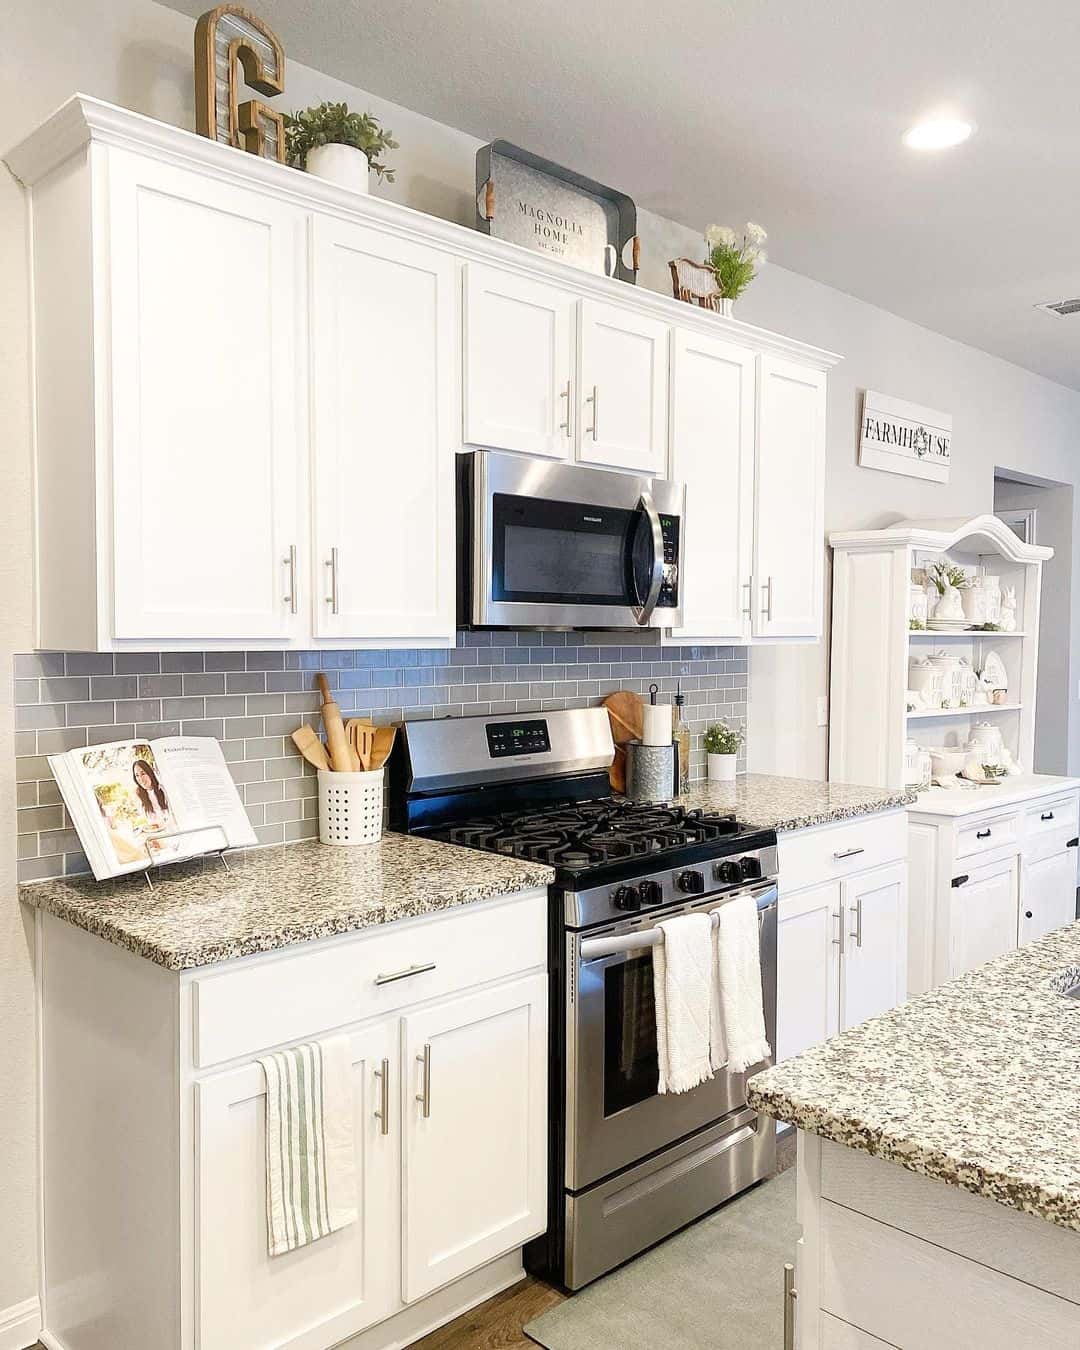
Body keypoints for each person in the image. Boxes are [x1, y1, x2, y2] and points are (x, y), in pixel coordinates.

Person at [132, 758, 172, 829]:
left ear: (150, 773)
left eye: (143, 774)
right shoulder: (138, 795)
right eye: (137, 775)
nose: (140, 779)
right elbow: (145, 820)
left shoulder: (163, 789)